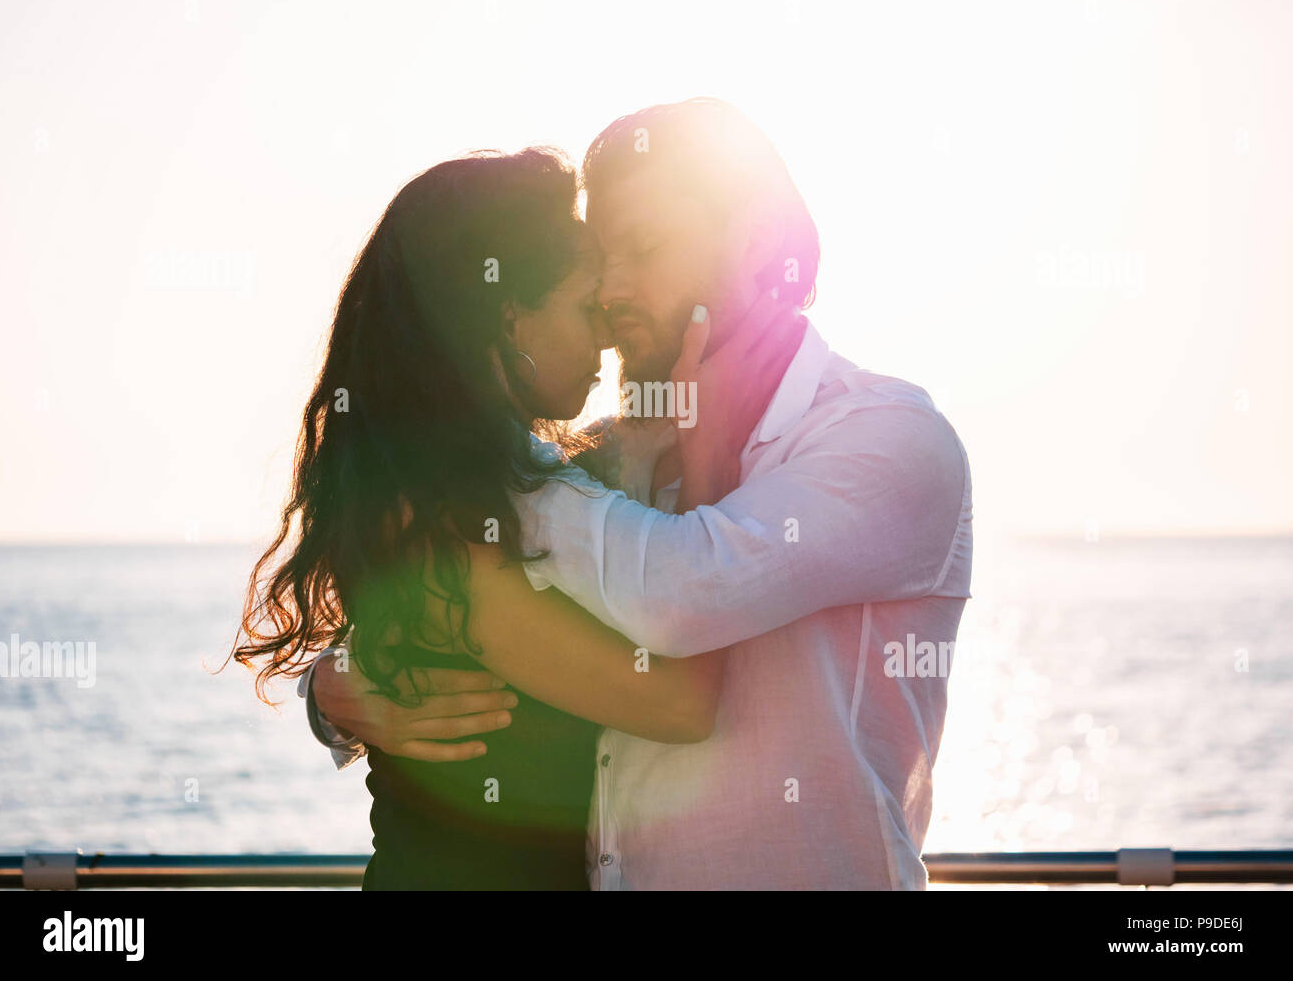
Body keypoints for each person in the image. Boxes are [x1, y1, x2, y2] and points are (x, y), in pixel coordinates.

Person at [308, 99, 974, 890]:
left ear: (758, 243)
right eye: (596, 265)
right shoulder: (621, 458)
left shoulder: (884, 441)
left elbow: (682, 593)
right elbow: (433, 607)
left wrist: (465, 470)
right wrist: (336, 684)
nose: (613, 293)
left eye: (644, 249)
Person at [231, 147, 747, 890]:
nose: (605, 335)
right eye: (582, 307)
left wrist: (330, 685)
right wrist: (705, 461)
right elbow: (683, 705)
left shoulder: (473, 493)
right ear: (509, 317)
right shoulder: (453, 537)